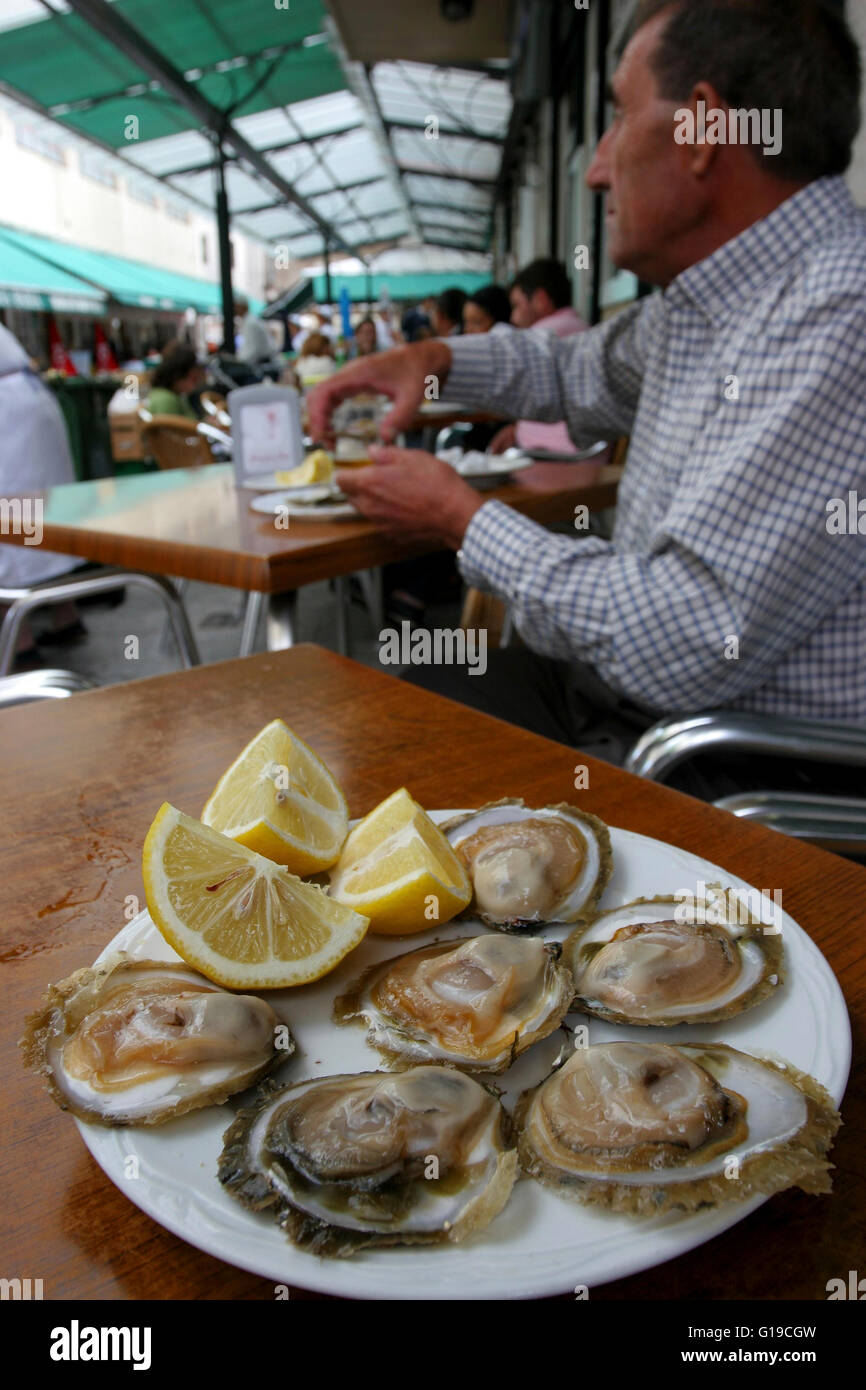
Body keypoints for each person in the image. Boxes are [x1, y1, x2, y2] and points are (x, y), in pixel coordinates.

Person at [309, 0, 866, 799]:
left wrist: (462, 521)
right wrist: (430, 359)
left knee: (365, 761)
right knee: (361, 703)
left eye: (617, 118)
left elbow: (688, 638)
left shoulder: (835, 313)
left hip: (726, 773)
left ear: (704, 129)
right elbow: (572, 372)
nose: (597, 167)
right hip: (631, 712)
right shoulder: (714, 303)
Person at [0, 323, 87, 663]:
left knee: (12, 530)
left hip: (8, 415)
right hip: (30, 401)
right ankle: (66, 616)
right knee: (41, 520)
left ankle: (19, 641)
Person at [488, 259, 590, 456]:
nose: (513, 318)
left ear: (541, 300)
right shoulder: (576, 328)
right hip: (556, 454)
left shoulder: (548, 335)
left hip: (556, 459)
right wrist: (517, 430)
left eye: (516, 306)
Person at [147, 345, 204, 419]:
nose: (197, 383)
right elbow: (169, 428)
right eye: (194, 378)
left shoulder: (172, 395)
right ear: (178, 376)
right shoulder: (166, 400)